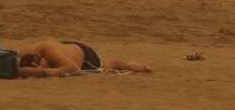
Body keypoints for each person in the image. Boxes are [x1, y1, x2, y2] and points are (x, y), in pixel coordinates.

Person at [16, 39, 153, 76]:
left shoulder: (49, 51)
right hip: (67, 48)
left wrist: (46, 72)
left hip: (85, 56)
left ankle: (133, 66)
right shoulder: (25, 54)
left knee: (108, 65)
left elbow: (73, 69)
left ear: (41, 58)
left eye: (41, 65)